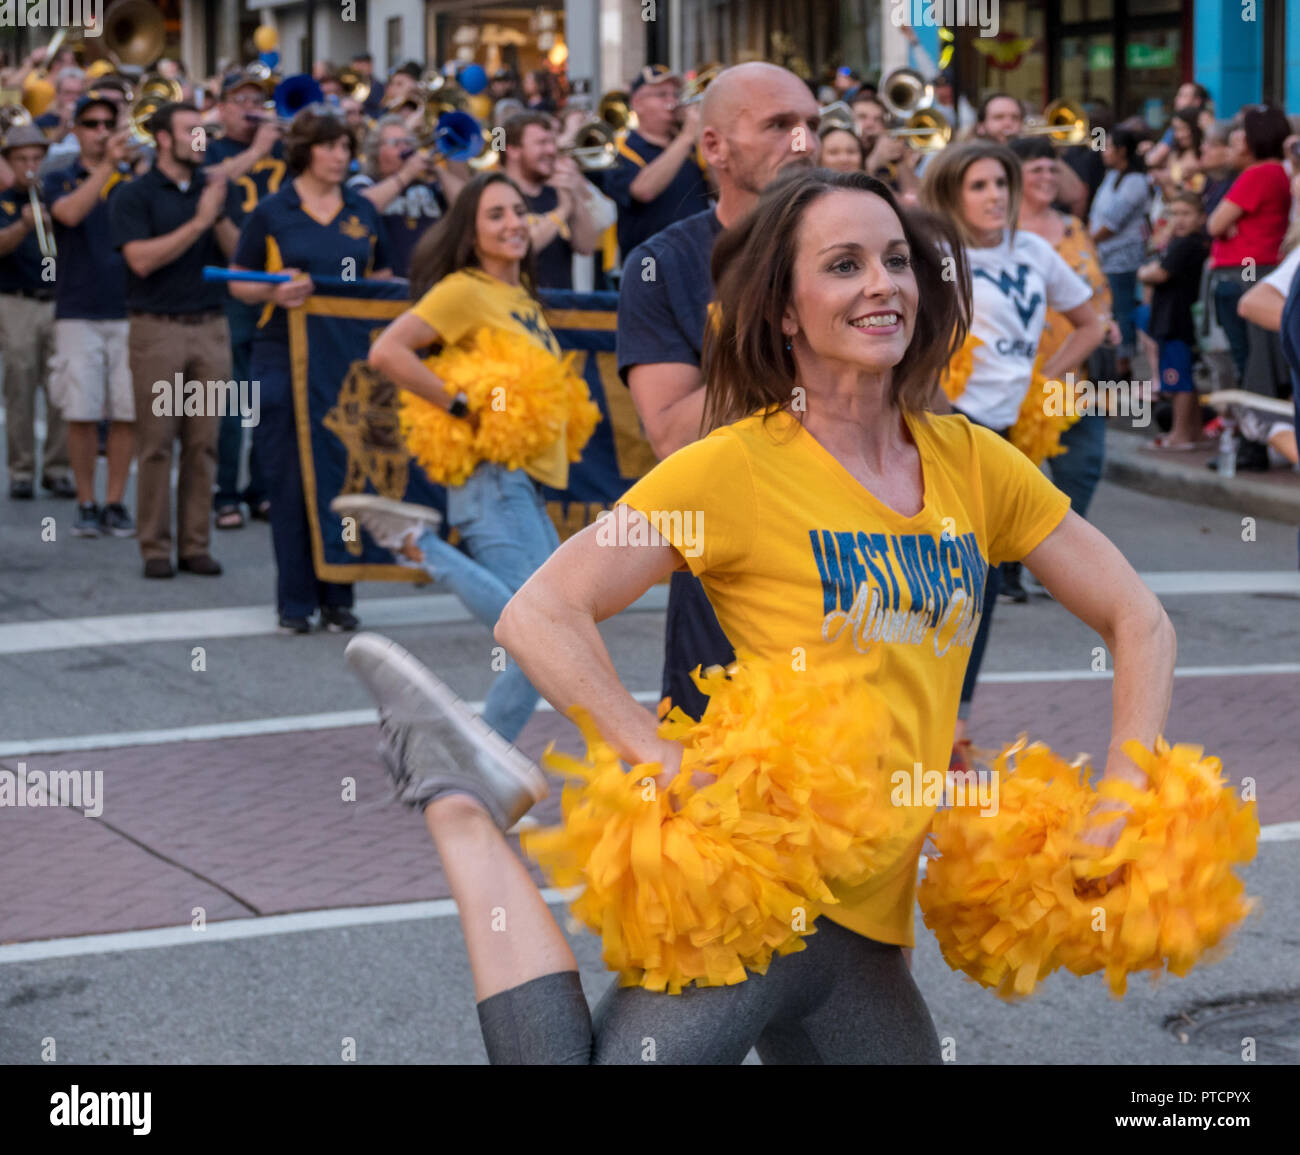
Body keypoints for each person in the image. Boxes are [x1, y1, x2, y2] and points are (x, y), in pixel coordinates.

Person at [341, 165, 1174, 1065]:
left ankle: (464, 801)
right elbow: (542, 612)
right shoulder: (736, 465)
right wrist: (652, 752)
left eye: (896, 260)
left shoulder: (972, 461)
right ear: (784, 308)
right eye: (845, 265)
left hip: (870, 920)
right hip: (759, 885)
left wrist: (1127, 786)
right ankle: (463, 809)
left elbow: (1138, 615)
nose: (883, 284)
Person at [335, 171, 572, 742]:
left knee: (549, 639)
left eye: (518, 210)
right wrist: (461, 406)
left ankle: (484, 774)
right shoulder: (465, 289)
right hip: (490, 480)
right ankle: (423, 546)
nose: (513, 222)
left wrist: (565, 201)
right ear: (470, 233)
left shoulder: (517, 297)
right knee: (540, 632)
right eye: (495, 215)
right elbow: (388, 350)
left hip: (522, 484)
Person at [617, 61, 821, 720]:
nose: (805, 144)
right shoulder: (662, 264)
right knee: (720, 800)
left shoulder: (865, 244)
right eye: (780, 125)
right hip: (729, 579)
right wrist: (784, 333)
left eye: (813, 126)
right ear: (714, 147)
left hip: (864, 571)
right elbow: (672, 434)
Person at [920, 141, 1104, 764]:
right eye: (978, 185)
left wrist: (1044, 381)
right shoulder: (938, 257)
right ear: (951, 193)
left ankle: (955, 724)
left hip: (1004, 437)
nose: (995, 195)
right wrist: (931, 401)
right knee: (938, 577)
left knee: (986, 581)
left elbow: (1092, 322)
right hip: (946, 428)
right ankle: (916, 718)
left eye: (1001, 182)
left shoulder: (1032, 251)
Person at [227, 107, 392, 634]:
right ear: (306, 151)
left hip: (347, 360)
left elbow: (382, 278)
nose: (340, 156)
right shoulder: (274, 212)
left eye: (346, 146)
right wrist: (275, 288)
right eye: (330, 146)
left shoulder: (363, 210)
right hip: (281, 350)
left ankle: (339, 593)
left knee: (343, 474)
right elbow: (239, 281)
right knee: (289, 475)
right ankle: (295, 601)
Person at [110, 101, 238, 579]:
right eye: (191, 132)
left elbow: (239, 256)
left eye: (204, 132)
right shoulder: (135, 194)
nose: (201, 140)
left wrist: (217, 213)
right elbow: (141, 260)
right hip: (157, 327)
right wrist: (199, 222)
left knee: (204, 443)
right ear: (163, 139)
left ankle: (195, 544)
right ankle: (155, 548)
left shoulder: (214, 191)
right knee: (158, 442)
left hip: (210, 326)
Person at [1011, 135, 1118, 517]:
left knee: (1082, 470)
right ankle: (1007, 572)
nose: (1047, 176)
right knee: (1014, 481)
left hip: (1074, 378)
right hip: (1016, 380)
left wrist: (1106, 320)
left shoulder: (1073, 226)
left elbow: (1098, 290)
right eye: (1035, 169)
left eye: (1051, 168)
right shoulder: (997, 234)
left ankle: (1060, 565)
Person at [44, 93, 137, 535]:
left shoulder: (136, 179)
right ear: (77, 130)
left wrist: (124, 169)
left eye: (108, 124)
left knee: (127, 411)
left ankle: (115, 502)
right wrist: (106, 168)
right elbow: (70, 214)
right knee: (80, 412)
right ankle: (86, 501)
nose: (101, 132)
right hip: (78, 307)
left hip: (132, 308)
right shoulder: (59, 177)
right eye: (92, 124)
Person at [204, 69, 283, 531]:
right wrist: (256, 151)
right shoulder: (211, 147)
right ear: (222, 107)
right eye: (241, 99)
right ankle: (226, 492)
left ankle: (263, 489)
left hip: (278, 283)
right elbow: (205, 182)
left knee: (271, 396)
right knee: (234, 399)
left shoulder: (284, 152)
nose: (251, 106)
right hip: (232, 287)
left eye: (258, 98)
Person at [0, 124, 73, 499]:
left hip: (60, 299)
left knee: (62, 387)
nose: (30, 166)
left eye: (36, 158)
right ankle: (22, 469)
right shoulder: (4, 200)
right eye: (22, 159)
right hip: (17, 300)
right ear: (8, 162)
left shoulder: (57, 192)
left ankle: (58, 467)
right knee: (20, 388)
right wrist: (22, 226)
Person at [1207, 105, 1292, 386]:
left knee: (1245, 355)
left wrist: (1230, 223)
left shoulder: (1259, 173)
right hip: (1259, 267)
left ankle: (1250, 420)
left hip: (1244, 270)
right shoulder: (1279, 171)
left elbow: (1215, 224)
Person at [605, 65, 711, 259]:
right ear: (637, 103)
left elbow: (721, 191)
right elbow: (643, 190)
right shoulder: (621, 148)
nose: (672, 101)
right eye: (662, 95)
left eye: (675, 94)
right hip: (649, 262)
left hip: (698, 256)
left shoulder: (693, 144)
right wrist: (686, 137)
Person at [1138, 191, 1211, 449]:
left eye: (1186, 214)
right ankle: (1195, 433)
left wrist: (1143, 272)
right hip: (1177, 321)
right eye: (1173, 214)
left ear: (1201, 217)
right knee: (1184, 379)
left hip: (1176, 322)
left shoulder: (1187, 244)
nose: (1178, 220)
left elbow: (1159, 273)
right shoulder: (1180, 242)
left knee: (1177, 380)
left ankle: (1179, 436)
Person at [500, 112, 601, 290]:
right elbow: (521, 250)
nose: (552, 151)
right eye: (541, 143)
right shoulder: (496, 194)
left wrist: (574, 193)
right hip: (514, 307)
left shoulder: (557, 193)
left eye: (552, 142)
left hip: (561, 309)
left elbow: (586, 247)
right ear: (513, 150)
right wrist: (562, 211)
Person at [348, 114, 448, 278]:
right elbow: (361, 208)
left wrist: (439, 171)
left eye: (408, 142)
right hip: (391, 288)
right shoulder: (364, 182)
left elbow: (467, 206)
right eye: (395, 143)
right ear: (376, 150)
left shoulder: (427, 185)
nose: (404, 148)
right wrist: (406, 174)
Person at [1089, 127, 1150, 380]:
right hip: (1104, 257)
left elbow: (1113, 222)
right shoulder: (1112, 175)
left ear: (1122, 150)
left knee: (1122, 310)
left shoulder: (1135, 181)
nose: (1103, 151)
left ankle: (1123, 365)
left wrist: (1086, 243)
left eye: (1108, 146)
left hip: (1122, 259)